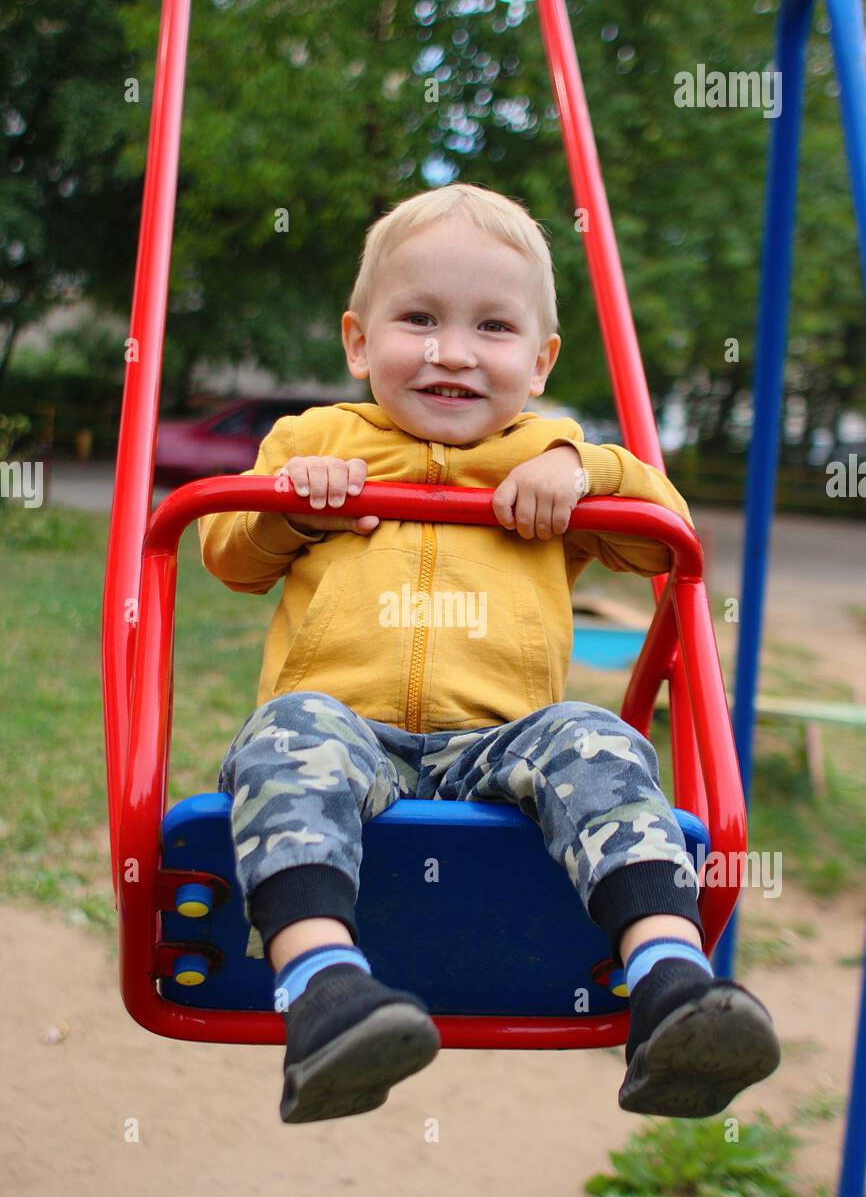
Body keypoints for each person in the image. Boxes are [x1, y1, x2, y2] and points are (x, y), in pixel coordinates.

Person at [198, 183, 780, 1125]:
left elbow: (667, 543)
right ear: (357, 341)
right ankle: (322, 992)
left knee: (592, 736)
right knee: (286, 732)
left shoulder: (547, 456)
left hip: (500, 753)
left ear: (541, 361)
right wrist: (291, 504)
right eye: (418, 318)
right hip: (348, 736)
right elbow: (225, 554)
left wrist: (585, 473)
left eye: (494, 328)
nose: (453, 352)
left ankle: (672, 983)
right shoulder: (315, 442)